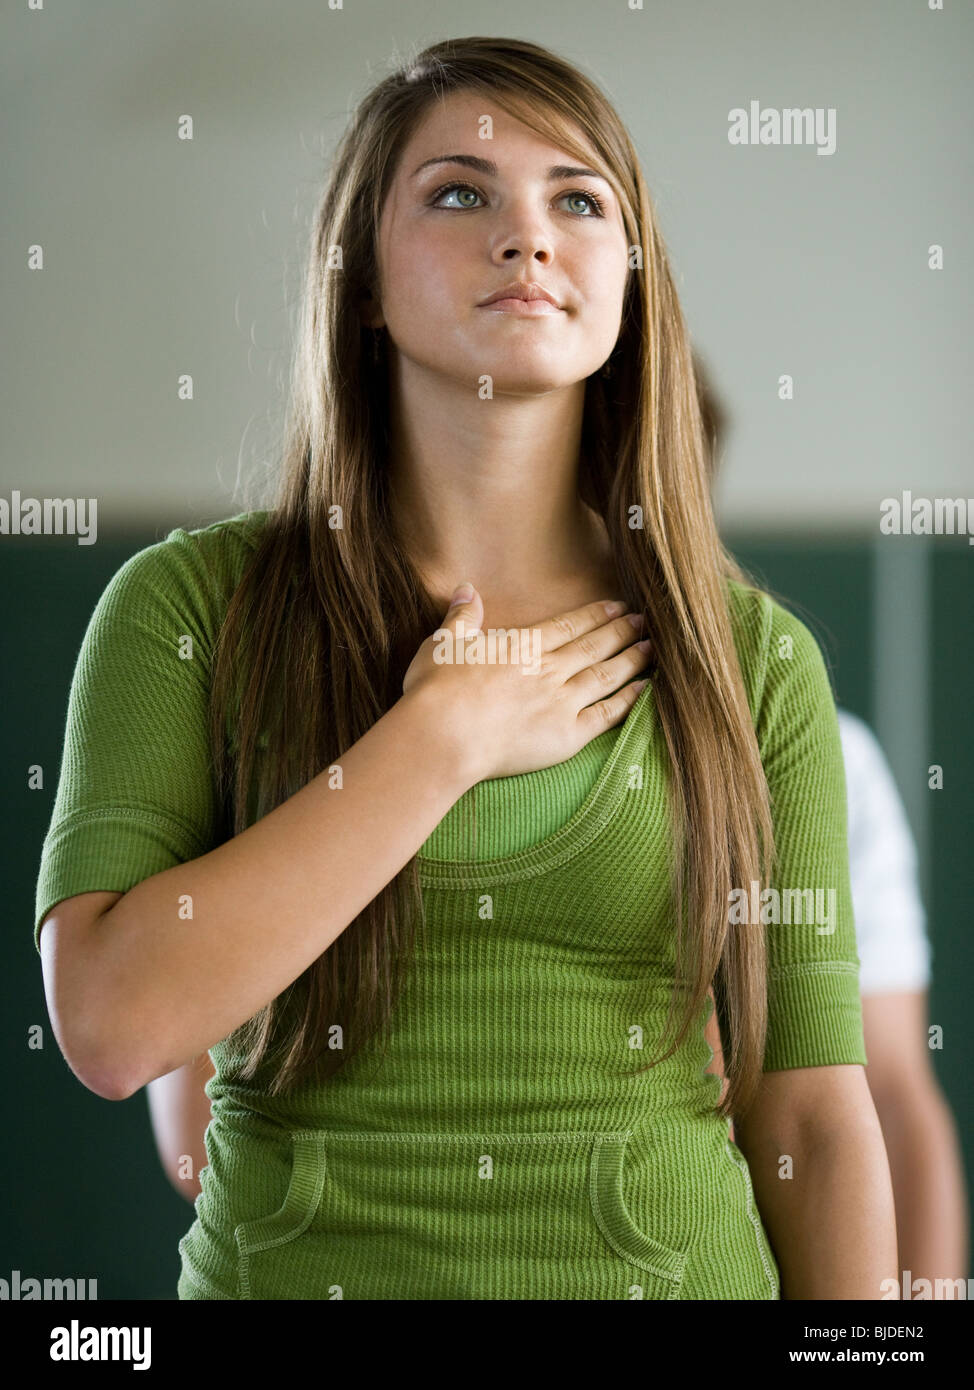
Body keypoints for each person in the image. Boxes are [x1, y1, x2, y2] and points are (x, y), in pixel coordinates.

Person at [33, 36, 896, 1300]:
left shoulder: (752, 658)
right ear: (362, 284)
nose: (527, 235)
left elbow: (813, 1120)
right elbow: (110, 1028)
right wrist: (439, 739)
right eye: (457, 192)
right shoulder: (183, 611)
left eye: (578, 200)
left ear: (628, 277)